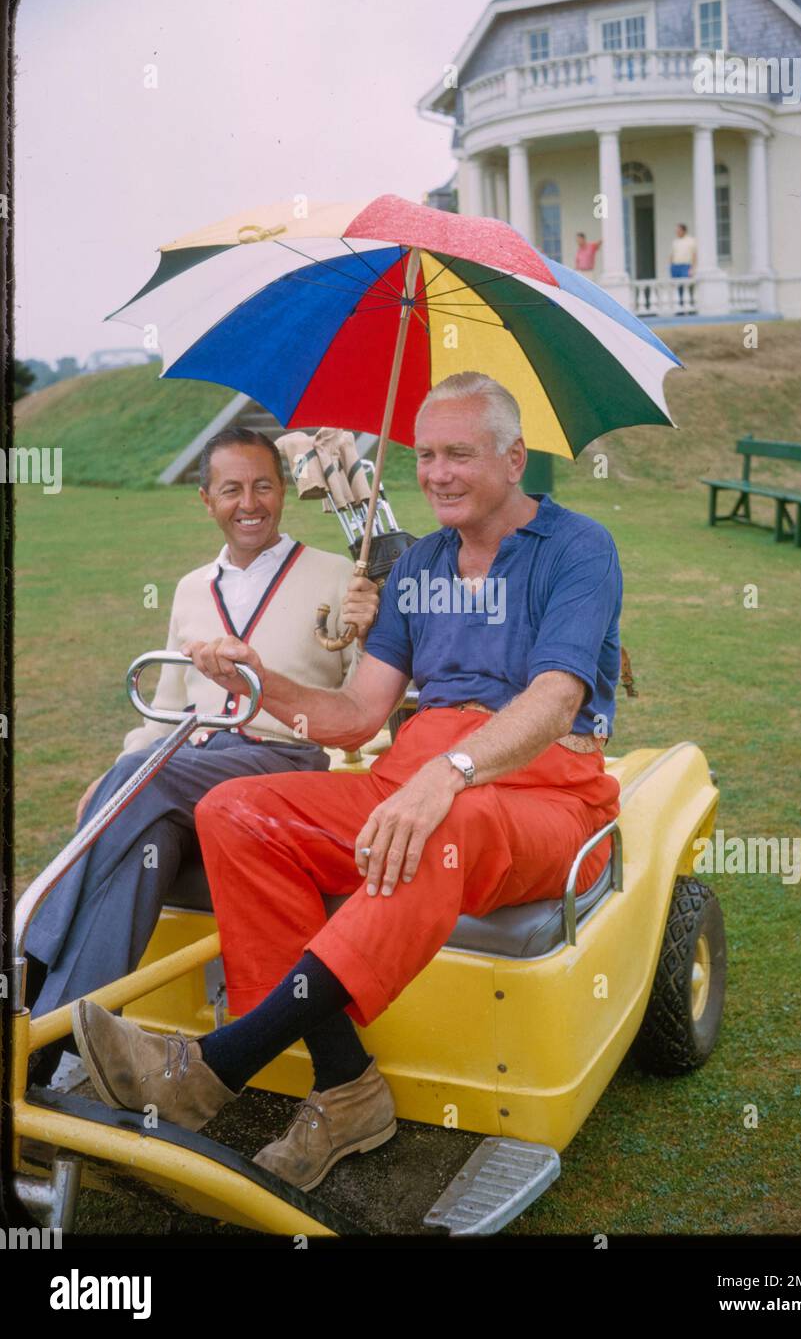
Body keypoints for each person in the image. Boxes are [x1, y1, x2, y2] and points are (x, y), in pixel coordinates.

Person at [72, 372, 623, 1194]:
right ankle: (346, 1084)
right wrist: (259, 679)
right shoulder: (420, 564)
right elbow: (358, 716)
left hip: (541, 790)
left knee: (440, 826)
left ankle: (211, 1067)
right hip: (416, 770)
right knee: (234, 810)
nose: (436, 474)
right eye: (424, 455)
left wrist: (450, 773)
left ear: (514, 459)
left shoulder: (578, 547)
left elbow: (556, 699)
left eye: (459, 454)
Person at [26, 426, 378, 1085]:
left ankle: (31, 967)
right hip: (185, 770)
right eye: (231, 489)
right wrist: (117, 772)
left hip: (281, 763)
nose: (250, 503)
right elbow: (164, 709)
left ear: (282, 491)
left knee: (143, 785)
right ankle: (59, 1038)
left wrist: (370, 624)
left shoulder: (339, 575)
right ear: (206, 500)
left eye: (263, 486)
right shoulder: (192, 588)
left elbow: (367, 708)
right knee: (143, 835)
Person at [669, 223, 697, 310]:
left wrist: (692, 268)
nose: (677, 232)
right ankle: (681, 306)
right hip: (676, 266)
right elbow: (672, 255)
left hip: (686, 266)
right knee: (679, 287)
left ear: (684, 231)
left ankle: (691, 305)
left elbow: (694, 255)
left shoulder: (691, 241)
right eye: (676, 230)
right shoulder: (675, 242)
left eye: (679, 230)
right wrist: (671, 266)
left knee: (688, 285)